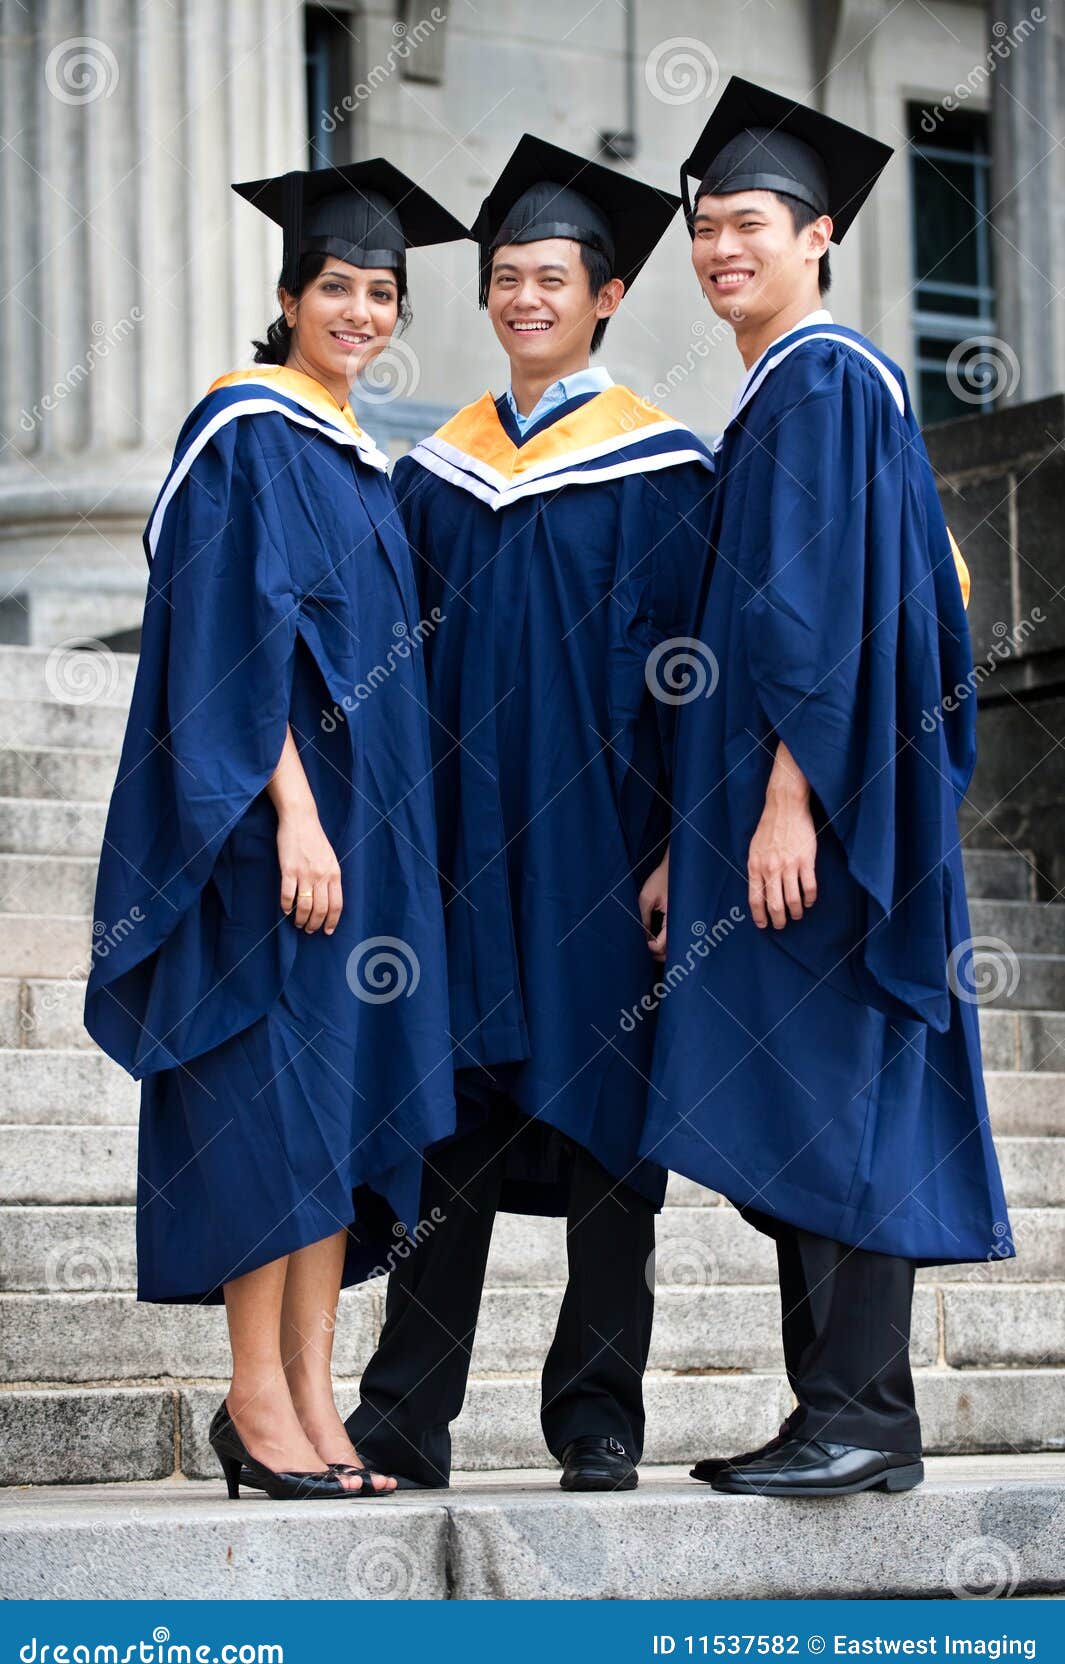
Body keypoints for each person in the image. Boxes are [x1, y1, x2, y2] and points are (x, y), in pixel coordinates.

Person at [636, 78, 1012, 1497]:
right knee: (800, 1091)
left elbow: (828, 617)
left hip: (818, 814)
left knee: (832, 1084)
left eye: (748, 224)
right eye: (705, 227)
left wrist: (791, 795)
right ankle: (846, 1414)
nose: (720, 246)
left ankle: (860, 1413)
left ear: (818, 232)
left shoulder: (824, 380)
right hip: (763, 820)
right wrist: (693, 840)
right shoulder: (788, 390)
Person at [84, 160, 468, 1501]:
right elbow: (234, 645)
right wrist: (293, 812)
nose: (360, 310)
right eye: (337, 288)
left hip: (369, 848)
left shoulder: (357, 461)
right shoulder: (244, 432)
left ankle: (313, 1397)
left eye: (380, 292)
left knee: (336, 1119)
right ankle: (255, 1401)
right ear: (289, 295)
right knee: (269, 1109)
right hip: (272, 843)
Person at [345, 134, 715, 1492]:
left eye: (550, 277)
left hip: (601, 866)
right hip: (457, 861)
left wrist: (685, 839)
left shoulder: (664, 475)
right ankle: (401, 1413)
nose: (522, 298)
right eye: (504, 277)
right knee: (445, 1128)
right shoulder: (436, 475)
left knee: (612, 1148)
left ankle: (599, 1418)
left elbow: (702, 682)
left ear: (605, 295)